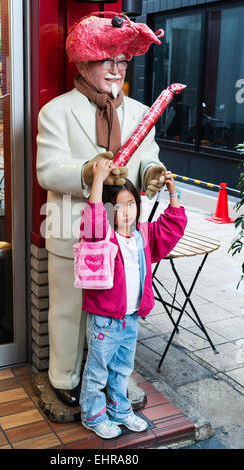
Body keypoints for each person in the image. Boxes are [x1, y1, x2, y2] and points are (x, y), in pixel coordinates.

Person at [36, 11, 168, 408]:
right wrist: (86, 170)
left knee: (122, 315)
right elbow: (47, 170)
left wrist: (152, 173)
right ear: (83, 62)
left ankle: (114, 377)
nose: (116, 69)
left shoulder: (142, 112)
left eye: (122, 60)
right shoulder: (56, 111)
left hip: (123, 237)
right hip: (72, 228)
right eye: (106, 60)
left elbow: (149, 157)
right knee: (69, 312)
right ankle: (64, 378)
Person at [78, 159, 187, 439]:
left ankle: (120, 409)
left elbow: (171, 228)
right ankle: (93, 414)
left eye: (131, 204)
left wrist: (173, 195)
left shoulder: (144, 236)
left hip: (130, 318)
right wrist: (98, 180)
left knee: (123, 369)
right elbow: (93, 220)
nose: (126, 212)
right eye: (119, 206)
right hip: (105, 319)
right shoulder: (104, 238)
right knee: (98, 370)